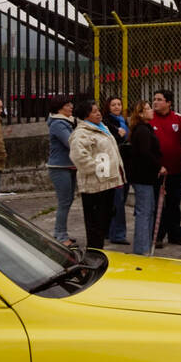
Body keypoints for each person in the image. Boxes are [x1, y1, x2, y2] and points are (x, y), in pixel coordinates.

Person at [68, 99, 125, 251]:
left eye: (98, 110)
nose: (99, 113)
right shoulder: (81, 133)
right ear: (86, 115)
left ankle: (99, 251)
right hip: (94, 186)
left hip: (108, 183)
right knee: (95, 225)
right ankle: (94, 253)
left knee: (104, 221)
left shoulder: (102, 127)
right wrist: (101, 168)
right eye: (94, 111)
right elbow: (79, 157)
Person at [126, 100, 166, 256]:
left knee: (147, 211)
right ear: (141, 114)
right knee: (145, 212)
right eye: (148, 108)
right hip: (142, 178)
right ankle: (142, 250)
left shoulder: (144, 128)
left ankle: (144, 246)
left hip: (145, 177)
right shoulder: (142, 130)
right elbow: (145, 153)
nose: (151, 110)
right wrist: (159, 166)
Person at [149, 89, 181, 249]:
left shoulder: (178, 119)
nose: (155, 102)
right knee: (158, 205)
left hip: (176, 171)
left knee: (174, 203)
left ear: (168, 102)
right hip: (157, 171)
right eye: (154, 99)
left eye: (159, 99)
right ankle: (157, 235)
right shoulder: (149, 118)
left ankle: (175, 235)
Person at [46, 97, 77, 246]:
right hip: (60, 167)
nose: (71, 107)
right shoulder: (58, 124)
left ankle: (62, 232)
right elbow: (71, 142)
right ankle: (60, 235)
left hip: (69, 166)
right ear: (59, 108)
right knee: (64, 201)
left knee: (68, 200)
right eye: (67, 105)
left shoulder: (67, 122)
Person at [103, 97, 130, 246]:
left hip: (125, 163)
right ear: (108, 107)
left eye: (119, 104)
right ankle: (115, 233)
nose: (116, 107)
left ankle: (110, 229)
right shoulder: (107, 122)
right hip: (114, 163)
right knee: (116, 200)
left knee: (121, 198)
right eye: (113, 105)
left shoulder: (123, 121)